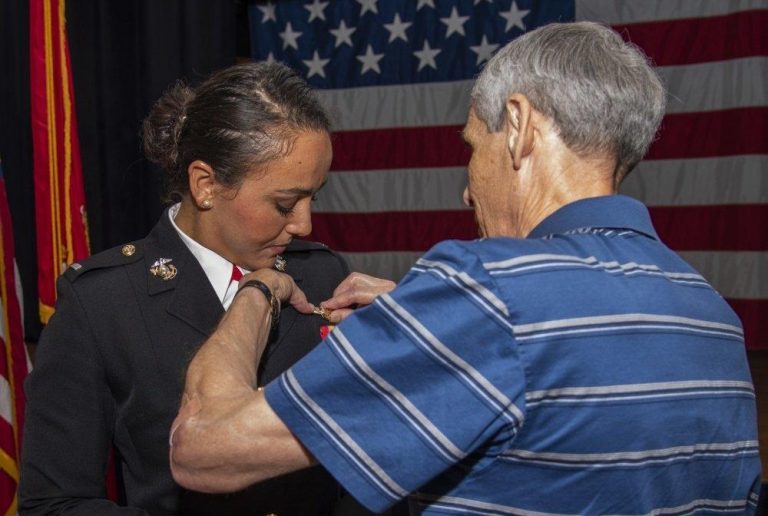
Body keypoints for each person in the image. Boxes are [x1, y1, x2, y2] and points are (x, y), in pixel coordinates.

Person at [169, 22, 762, 514]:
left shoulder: (485, 291)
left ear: (520, 127)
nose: (466, 189)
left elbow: (203, 447)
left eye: (473, 147)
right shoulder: (711, 313)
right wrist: (425, 328)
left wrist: (258, 291)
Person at [20, 61, 361, 515]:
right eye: (285, 204)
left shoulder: (321, 275)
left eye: (312, 197)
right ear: (205, 185)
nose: (304, 224)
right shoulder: (103, 302)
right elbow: (53, 504)